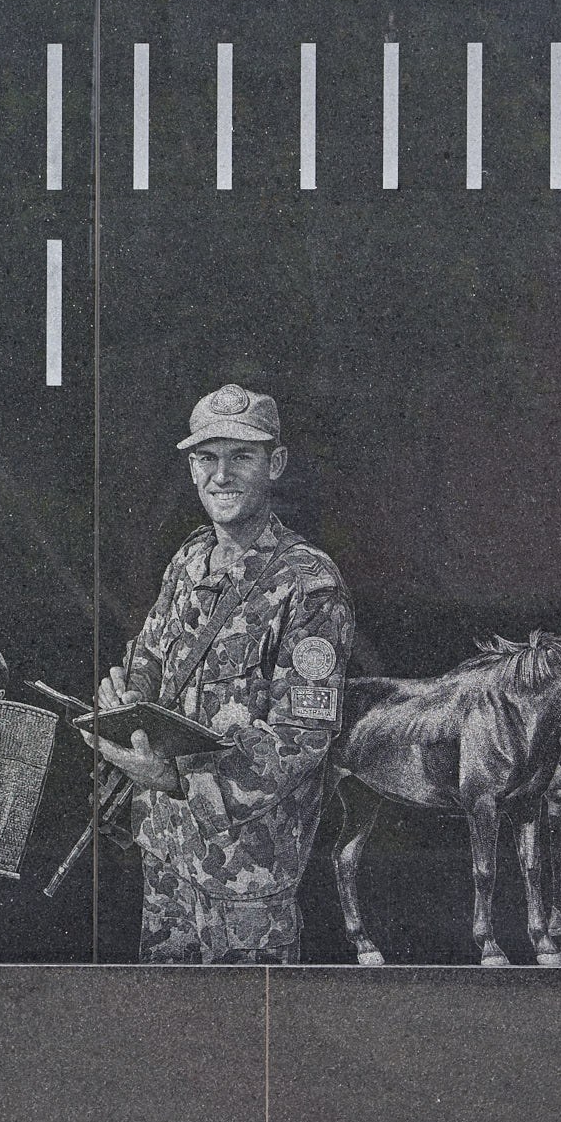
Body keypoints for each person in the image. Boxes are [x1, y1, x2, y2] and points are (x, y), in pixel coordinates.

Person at [93, 383, 355, 964]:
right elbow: (151, 657)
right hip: (167, 850)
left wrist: (176, 780)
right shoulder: (188, 561)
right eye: (206, 457)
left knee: (243, 1042)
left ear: (276, 464)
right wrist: (124, 703)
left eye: (242, 456)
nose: (222, 474)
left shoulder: (308, 584)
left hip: (247, 872)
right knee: (166, 1032)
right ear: (191, 469)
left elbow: (302, 737)